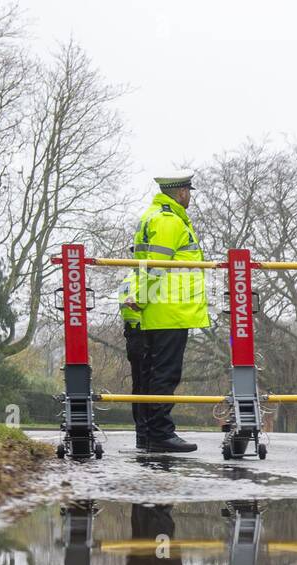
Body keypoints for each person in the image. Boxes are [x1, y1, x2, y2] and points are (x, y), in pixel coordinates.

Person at [119, 171, 210, 453]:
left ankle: (147, 434)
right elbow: (156, 267)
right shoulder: (169, 221)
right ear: (181, 192)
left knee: (149, 375)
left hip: (159, 308)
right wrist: (144, 299)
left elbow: (144, 265)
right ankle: (160, 433)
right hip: (169, 308)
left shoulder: (151, 216)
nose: (190, 197)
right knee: (165, 374)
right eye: (189, 192)